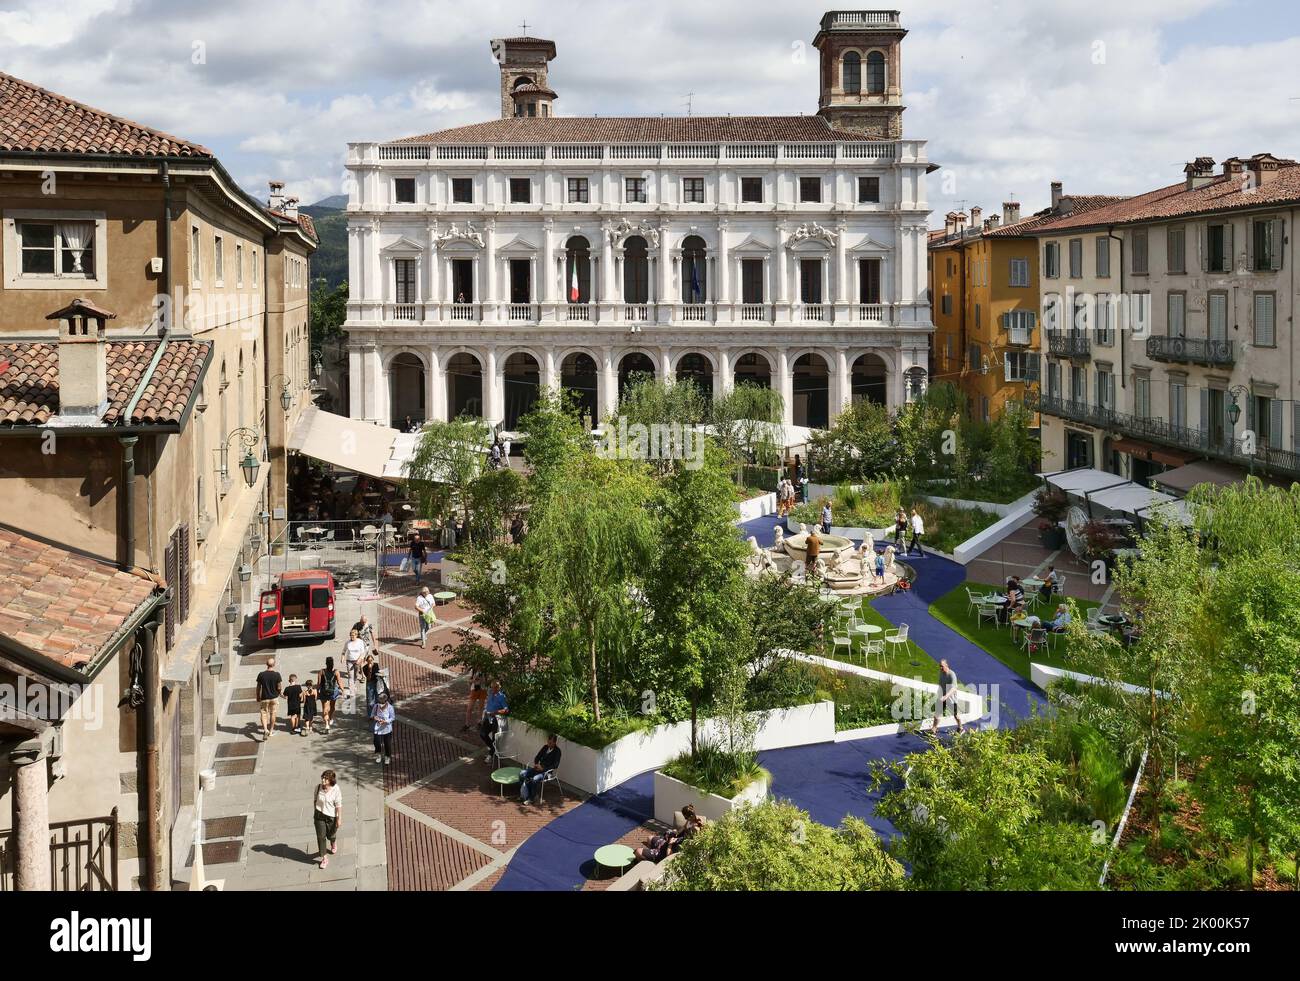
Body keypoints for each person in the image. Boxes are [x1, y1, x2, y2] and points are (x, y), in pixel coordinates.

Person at [634, 804, 705, 863]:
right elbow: (683, 829)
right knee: (649, 838)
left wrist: (670, 844)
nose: (685, 819)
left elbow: (669, 856)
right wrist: (677, 832)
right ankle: (653, 855)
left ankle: (657, 859)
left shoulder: (684, 843)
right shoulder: (691, 822)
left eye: (686, 818)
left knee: (638, 851)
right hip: (665, 844)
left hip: (666, 851)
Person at [518, 733, 562, 803]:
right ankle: (524, 795)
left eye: (550, 743)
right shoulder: (545, 747)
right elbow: (537, 757)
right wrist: (536, 764)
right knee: (522, 774)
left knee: (535, 779)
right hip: (538, 768)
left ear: (554, 742)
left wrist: (543, 769)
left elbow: (555, 765)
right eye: (548, 742)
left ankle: (531, 798)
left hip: (547, 772)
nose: (548, 744)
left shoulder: (557, 751)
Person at [312, 770, 343, 869]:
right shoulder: (318, 788)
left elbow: (338, 805)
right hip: (319, 815)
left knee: (331, 834)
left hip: (331, 816)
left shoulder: (336, 789)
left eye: (325, 778)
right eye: (322, 777)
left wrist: (339, 818)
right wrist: (316, 811)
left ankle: (333, 842)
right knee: (321, 837)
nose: (323, 780)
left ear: (330, 780)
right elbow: (315, 800)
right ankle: (324, 858)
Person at [479, 680, 509, 763]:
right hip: (488, 718)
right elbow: (487, 706)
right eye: (492, 687)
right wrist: (483, 717)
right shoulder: (490, 694)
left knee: (494, 738)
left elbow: (506, 710)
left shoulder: (502, 697)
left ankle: (490, 755)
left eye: (495, 687)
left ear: (499, 687)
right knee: (482, 734)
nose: (493, 689)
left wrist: (496, 712)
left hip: (496, 719)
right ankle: (493, 749)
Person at [933, 658, 963, 734]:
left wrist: (945, 697)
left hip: (951, 699)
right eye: (939, 666)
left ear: (947, 665)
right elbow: (940, 684)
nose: (940, 668)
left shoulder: (952, 675)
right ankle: (934, 729)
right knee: (937, 715)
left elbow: (954, 688)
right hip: (942, 698)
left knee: (956, 716)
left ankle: (960, 728)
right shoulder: (941, 673)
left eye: (942, 666)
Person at [256, 656, 282, 741]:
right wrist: (279, 693)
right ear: (274, 665)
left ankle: (265, 730)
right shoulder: (277, 675)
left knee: (264, 714)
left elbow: (258, 687)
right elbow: (279, 687)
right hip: (274, 698)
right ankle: (271, 731)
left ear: (266, 664)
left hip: (264, 698)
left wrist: (258, 696)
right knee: (273, 714)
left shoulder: (261, 675)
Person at [318, 657, 343, 732]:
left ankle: (327, 724)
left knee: (325, 708)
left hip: (324, 691)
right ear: (333, 664)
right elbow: (339, 682)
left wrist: (316, 691)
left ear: (326, 663)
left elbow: (319, 684)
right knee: (332, 706)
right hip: (333, 691)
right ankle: (331, 718)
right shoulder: (336, 672)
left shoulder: (321, 672)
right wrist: (343, 690)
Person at [372, 691, 395, 765]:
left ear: (386, 701)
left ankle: (387, 757)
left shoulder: (390, 708)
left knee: (387, 744)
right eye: (379, 702)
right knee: (377, 742)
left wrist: (385, 721)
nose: (381, 704)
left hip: (387, 728)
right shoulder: (376, 706)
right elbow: (372, 715)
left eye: (382, 702)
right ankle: (378, 755)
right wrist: (375, 718)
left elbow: (392, 718)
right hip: (378, 728)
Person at [344, 629, 366, 695]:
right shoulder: (347, 642)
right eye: (351, 636)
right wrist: (342, 657)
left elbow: (363, 653)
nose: (352, 637)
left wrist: (360, 659)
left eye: (353, 636)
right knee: (350, 675)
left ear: (356, 635)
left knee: (355, 674)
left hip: (357, 661)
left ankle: (354, 684)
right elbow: (344, 650)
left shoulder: (360, 642)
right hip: (349, 661)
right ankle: (351, 689)